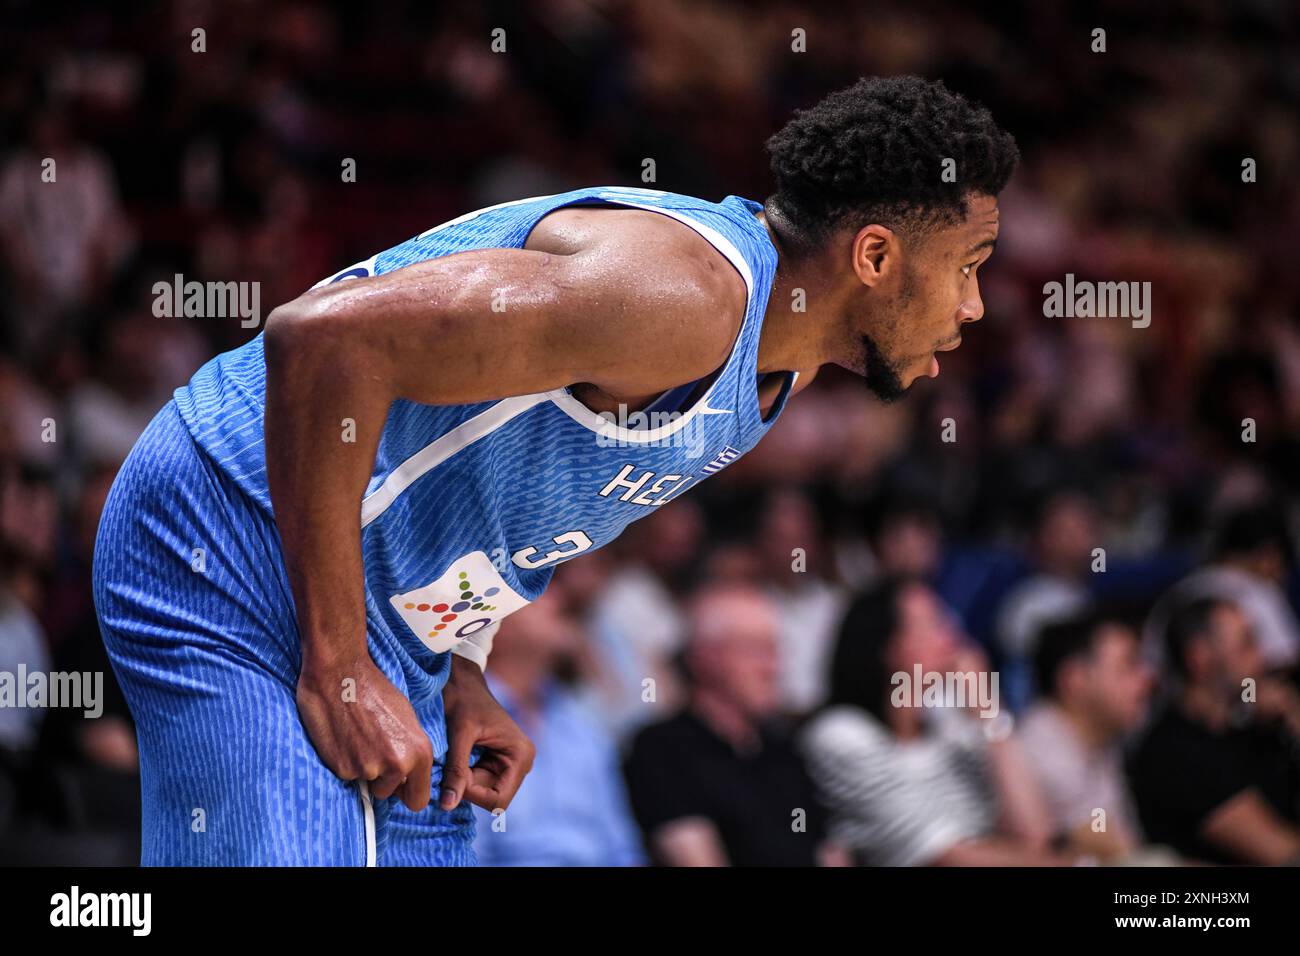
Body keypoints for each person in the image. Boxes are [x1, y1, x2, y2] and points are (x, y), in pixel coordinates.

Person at [92, 75, 1019, 864]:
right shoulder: (680, 297)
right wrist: (337, 666)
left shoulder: (775, 365)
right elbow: (326, 342)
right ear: (874, 255)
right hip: (227, 528)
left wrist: (459, 667)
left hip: (366, 599)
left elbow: (490, 498)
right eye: (969, 265)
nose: (976, 305)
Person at [802, 577, 1065, 866]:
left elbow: (1037, 834)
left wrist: (990, 714)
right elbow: (943, 858)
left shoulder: (951, 733)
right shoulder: (841, 734)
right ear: (888, 648)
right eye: (935, 623)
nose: (952, 637)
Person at [623, 583, 844, 866]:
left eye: (776, 650)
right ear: (706, 657)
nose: (773, 668)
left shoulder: (784, 749)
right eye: (757, 650)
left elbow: (830, 852)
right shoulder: (662, 748)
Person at [471, 593, 644, 867]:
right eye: (534, 590)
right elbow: (463, 846)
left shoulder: (581, 723)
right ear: (492, 627)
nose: (558, 600)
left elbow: (621, 844)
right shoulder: (464, 718)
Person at [1127, 597, 1300, 864]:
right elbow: (1282, 854)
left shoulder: (1251, 728)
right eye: (1247, 644)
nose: (1262, 658)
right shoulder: (1176, 754)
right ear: (1201, 659)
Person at [1018, 612, 1153, 861]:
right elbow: (1125, 854)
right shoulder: (1042, 747)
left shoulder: (1101, 738)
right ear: (1075, 680)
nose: (1147, 678)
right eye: (1129, 665)